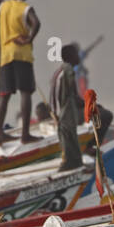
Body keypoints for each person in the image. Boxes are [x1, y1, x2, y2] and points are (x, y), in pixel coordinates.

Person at [0, 0, 41, 144]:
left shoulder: (3, 6)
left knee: (4, 95)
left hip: (6, 55)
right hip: (22, 54)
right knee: (25, 92)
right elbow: (36, 23)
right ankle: (25, 135)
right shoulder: (25, 8)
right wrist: (29, 38)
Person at [51, 44, 84, 172]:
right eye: (76, 54)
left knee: (67, 136)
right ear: (70, 57)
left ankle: (75, 162)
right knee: (70, 136)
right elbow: (73, 94)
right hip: (66, 110)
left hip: (59, 112)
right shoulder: (69, 70)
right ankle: (71, 163)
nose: (79, 56)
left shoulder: (59, 71)